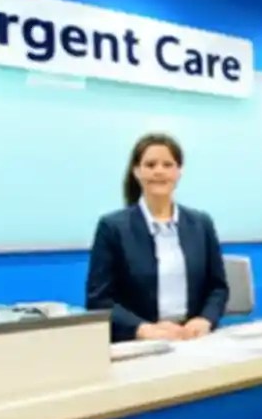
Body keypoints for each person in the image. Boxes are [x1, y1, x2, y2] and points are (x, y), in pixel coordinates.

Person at [86, 133, 229, 343]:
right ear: (136, 171)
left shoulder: (201, 223)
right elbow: (99, 301)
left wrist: (205, 319)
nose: (159, 171)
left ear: (179, 172)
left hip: (194, 339)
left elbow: (218, 287)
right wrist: (143, 329)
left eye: (168, 164)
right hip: (140, 342)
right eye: (150, 164)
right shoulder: (113, 227)